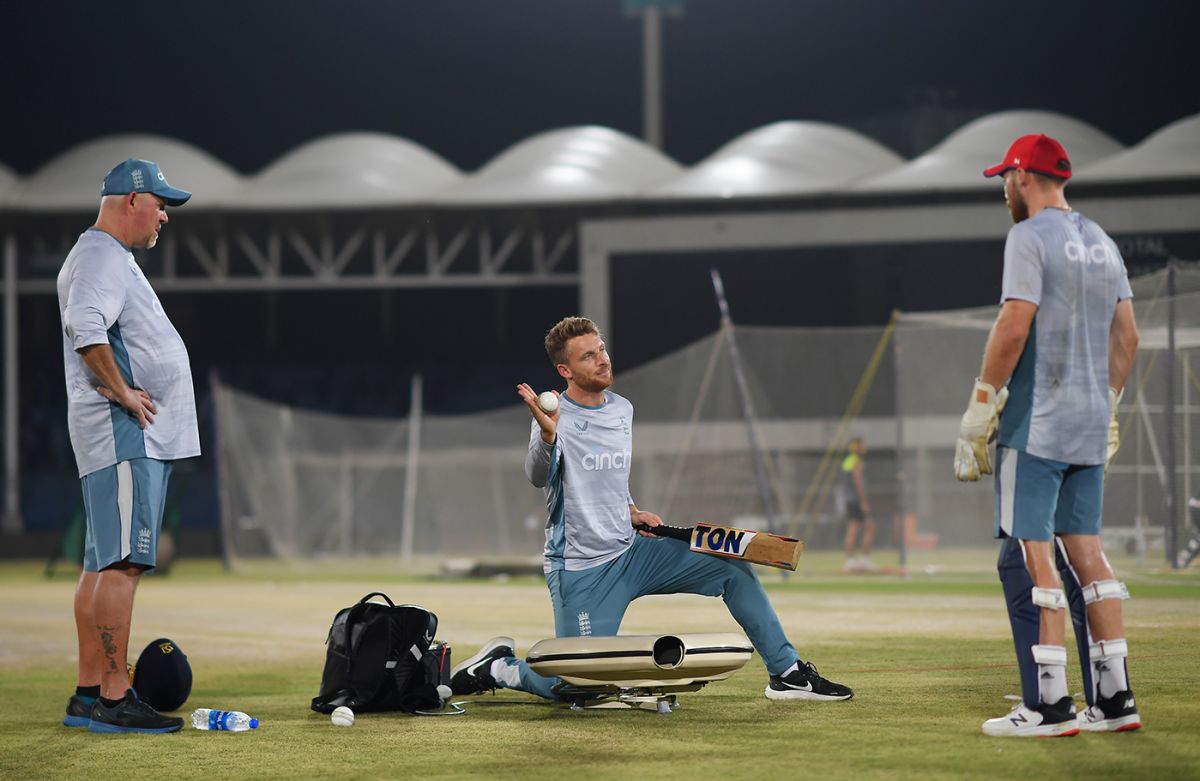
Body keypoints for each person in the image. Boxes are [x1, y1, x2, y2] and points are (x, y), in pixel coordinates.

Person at [450, 316, 853, 703]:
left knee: (731, 567)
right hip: (583, 568)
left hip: (633, 550)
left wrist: (630, 509)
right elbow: (538, 476)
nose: (602, 358)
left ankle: (786, 674)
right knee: (575, 685)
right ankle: (498, 668)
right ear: (565, 370)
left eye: (601, 349)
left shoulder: (622, 409)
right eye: (588, 355)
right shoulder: (553, 416)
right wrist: (548, 435)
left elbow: (609, 477)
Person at [954, 134, 1141, 737]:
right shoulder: (1103, 241)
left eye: (1004, 179)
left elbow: (1014, 323)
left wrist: (982, 403)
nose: (1003, 190)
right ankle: (1115, 701)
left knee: (1037, 556)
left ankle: (1049, 706)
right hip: (1090, 424)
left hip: (1038, 422)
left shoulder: (1028, 237)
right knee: (1088, 553)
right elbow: (1128, 338)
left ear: (1022, 177)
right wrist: (1108, 405)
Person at [57, 159, 200, 734]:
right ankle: (116, 698)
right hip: (125, 437)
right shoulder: (99, 254)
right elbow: (84, 327)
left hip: (122, 437)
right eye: (160, 203)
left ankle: (89, 692)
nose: (165, 215)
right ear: (132, 199)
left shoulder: (104, 255)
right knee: (124, 561)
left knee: (100, 563)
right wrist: (123, 394)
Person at [838, 438, 875, 571]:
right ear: (858, 448)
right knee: (869, 527)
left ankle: (850, 560)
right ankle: (864, 560)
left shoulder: (848, 461)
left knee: (852, 529)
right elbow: (857, 481)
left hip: (849, 499)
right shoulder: (857, 462)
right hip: (856, 500)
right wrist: (863, 501)